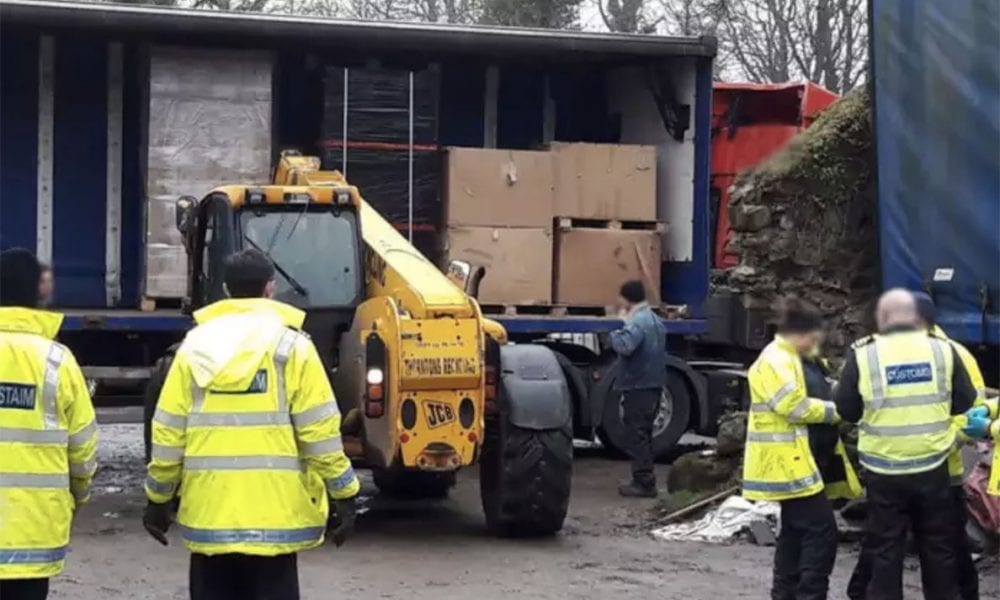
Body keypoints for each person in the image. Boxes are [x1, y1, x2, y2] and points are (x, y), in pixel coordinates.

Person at [143, 249, 360, 600]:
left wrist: (158, 497)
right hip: (274, 524)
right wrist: (345, 493)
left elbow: (168, 434)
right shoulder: (292, 349)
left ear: (227, 290)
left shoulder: (193, 348)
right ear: (270, 289)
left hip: (210, 519)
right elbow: (319, 434)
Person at [834, 288, 978, 600]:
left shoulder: (864, 353)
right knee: (939, 549)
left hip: (883, 469)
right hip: (933, 464)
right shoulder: (942, 350)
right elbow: (964, 402)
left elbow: (846, 410)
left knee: (887, 548)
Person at [0, 248, 98, 600]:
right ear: (34, 294)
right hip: (33, 530)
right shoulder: (56, 361)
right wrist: (79, 494)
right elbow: (83, 446)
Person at [743, 298, 849, 600]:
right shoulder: (777, 359)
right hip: (788, 462)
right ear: (801, 333)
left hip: (796, 459)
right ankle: (808, 594)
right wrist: (835, 411)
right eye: (814, 338)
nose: (816, 345)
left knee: (794, 533)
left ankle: (786, 594)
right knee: (821, 531)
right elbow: (792, 406)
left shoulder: (792, 358)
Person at [609, 280, 666, 498]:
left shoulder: (638, 322)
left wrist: (615, 331)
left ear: (627, 298)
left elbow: (626, 346)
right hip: (653, 384)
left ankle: (643, 483)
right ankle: (645, 479)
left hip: (638, 385)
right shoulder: (655, 320)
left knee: (637, 435)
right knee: (645, 434)